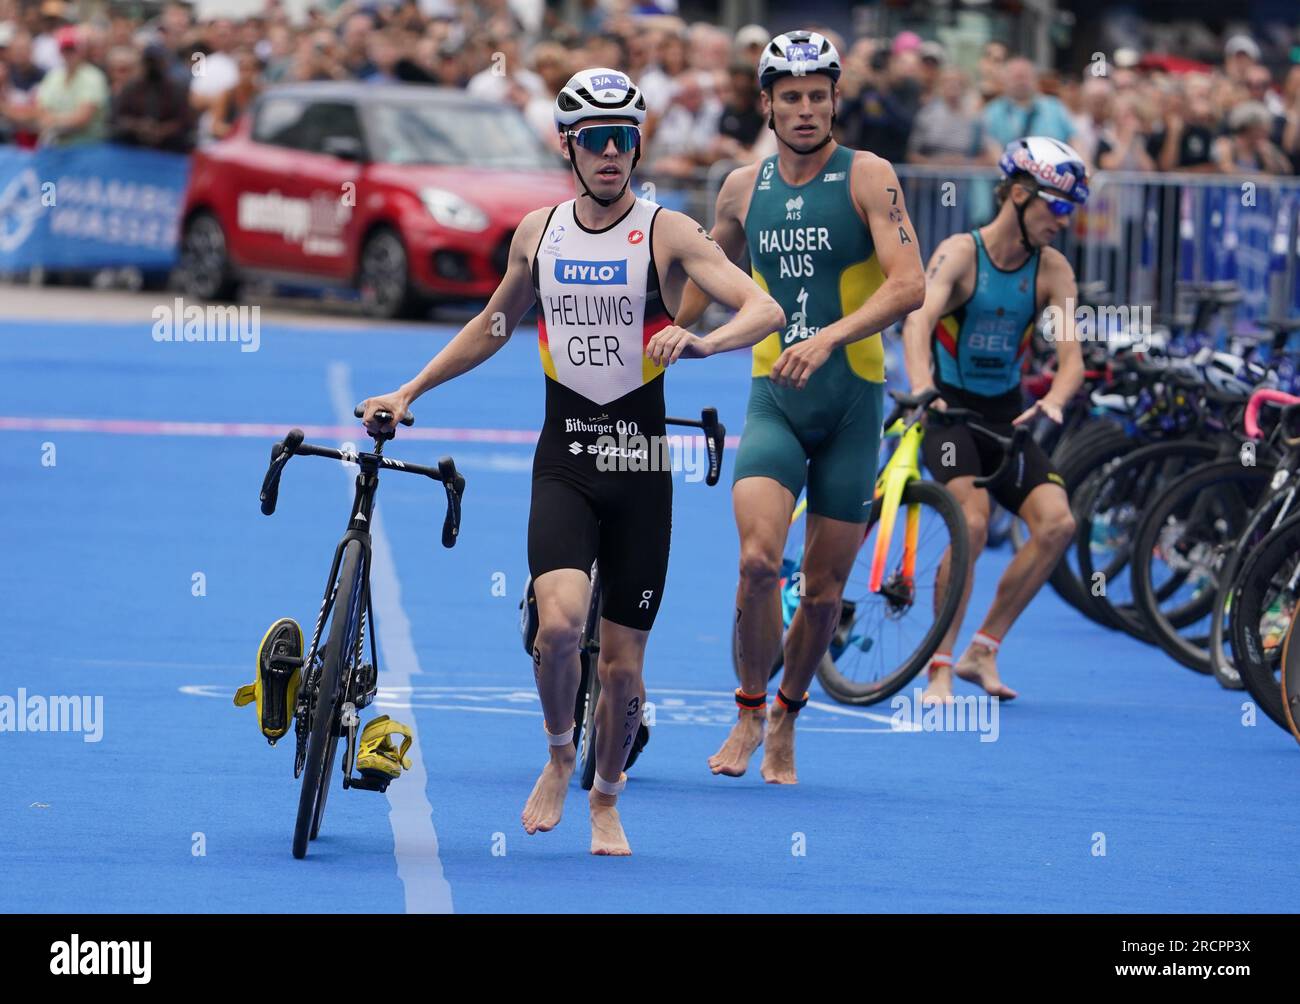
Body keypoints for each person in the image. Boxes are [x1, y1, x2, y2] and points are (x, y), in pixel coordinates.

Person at [360, 68, 783, 854]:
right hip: (566, 457)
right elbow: (494, 325)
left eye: (626, 138)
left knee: (623, 670)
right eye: (597, 140)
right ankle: (560, 754)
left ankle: (607, 795)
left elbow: (764, 307)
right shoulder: (538, 233)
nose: (613, 153)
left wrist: (703, 340)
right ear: (569, 146)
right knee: (558, 628)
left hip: (642, 467)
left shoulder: (669, 232)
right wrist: (411, 387)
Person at [675, 30, 926, 784]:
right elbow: (697, 277)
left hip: (851, 402)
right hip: (774, 400)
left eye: (819, 96)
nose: (807, 109)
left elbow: (908, 283)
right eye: (792, 98)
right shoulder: (739, 189)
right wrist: (659, 334)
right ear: (769, 105)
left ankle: (789, 710)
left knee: (822, 590)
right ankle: (749, 710)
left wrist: (826, 338)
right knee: (756, 562)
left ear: (835, 100)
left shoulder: (868, 176)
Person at [900, 137, 1086, 703]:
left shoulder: (1053, 269)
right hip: (949, 411)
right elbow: (917, 322)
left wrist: (1055, 397)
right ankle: (939, 664)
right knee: (972, 524)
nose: (1064, 221)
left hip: (1006, 417)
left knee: (1058, 524)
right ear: (1019, 195)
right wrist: (922, 388)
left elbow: (1072, 357)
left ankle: (984, 648)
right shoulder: (962, 253)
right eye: (1058, 208)